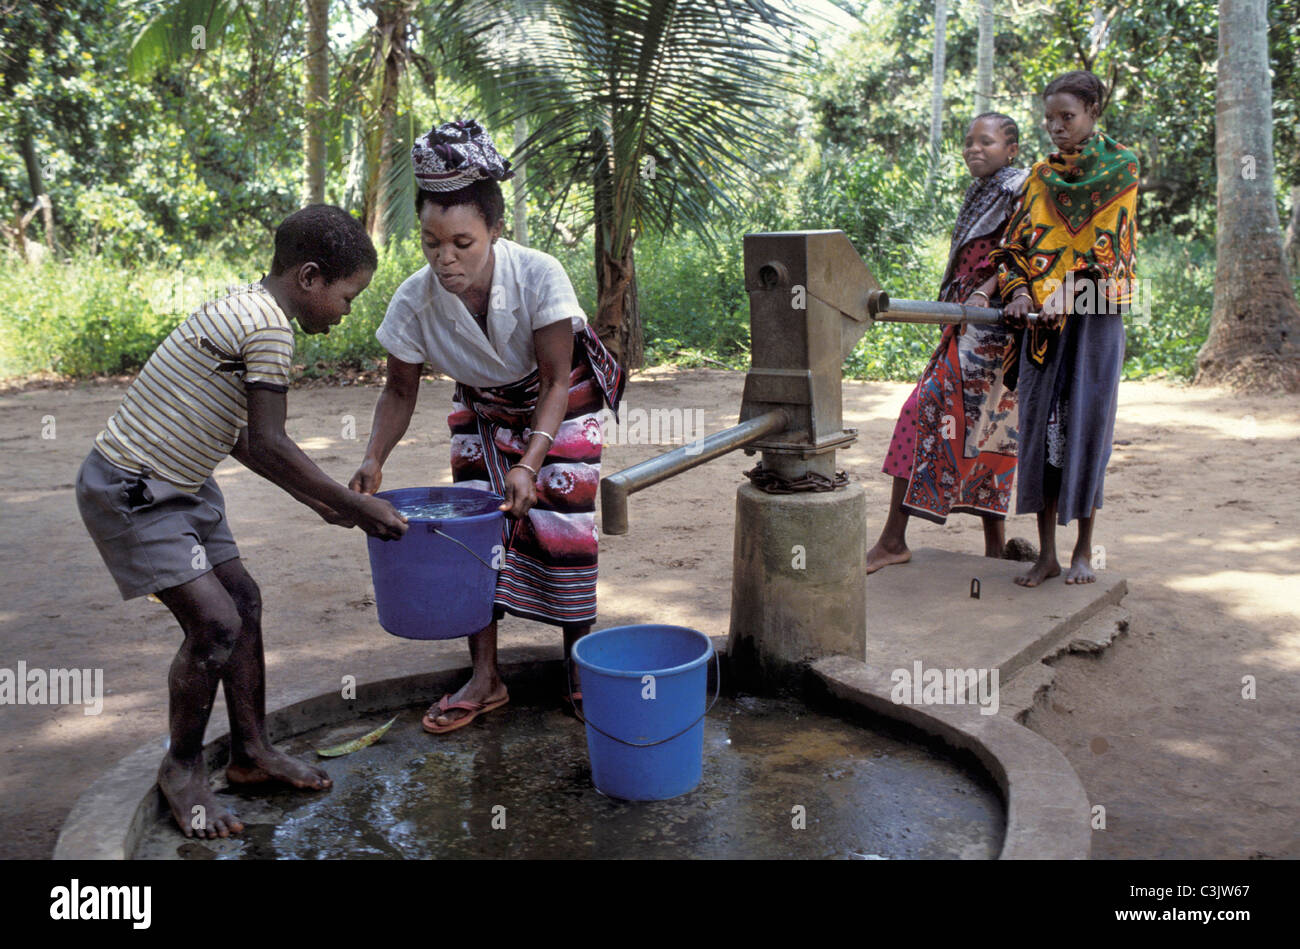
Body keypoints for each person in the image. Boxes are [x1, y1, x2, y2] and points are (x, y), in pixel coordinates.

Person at [75, 205, 409, 839]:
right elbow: (273, 441)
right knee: (214, 623)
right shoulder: (269, 329)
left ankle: (250, 753)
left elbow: (245, 442)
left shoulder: (246, 309)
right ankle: (181, 769)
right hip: (134, 488)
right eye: (347, 296)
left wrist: (323, 503)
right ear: (310, 278)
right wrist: (357, 503)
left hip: (181, 483)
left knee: (242, 600)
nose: (345, 312)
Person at [350, 119, 626, 734]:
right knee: (479, 530)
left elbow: (557, 380)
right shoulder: (413, 300)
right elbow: (399, 389)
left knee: (563, 523)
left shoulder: (539, 275)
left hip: (562, 400)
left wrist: (531, 464)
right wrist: (374, 458)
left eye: (463, 243)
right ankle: (486, 676)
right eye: (430, 242)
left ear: (496, 232)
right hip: (482, 407)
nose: (445, 259)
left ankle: (579, 669)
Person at [866, 112, 1030, 574]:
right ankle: (993, 553)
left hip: (996, 325)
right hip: (967, 322)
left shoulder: (1022, 190)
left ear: (1012, 149)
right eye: (968, 141)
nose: (973, 149)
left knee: (925, 414)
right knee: (988, 432)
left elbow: (1022, 253)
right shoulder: (983, 191)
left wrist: (986, 293)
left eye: (987, 142)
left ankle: (892, 541)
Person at [995, 70, 1139, 586]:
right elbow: (1013, 246)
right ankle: (1047, 554)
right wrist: (1015, 291)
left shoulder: (1122, 166)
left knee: (1085, 430)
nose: (1056, 127)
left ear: (1092, 113)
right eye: (1050, 118)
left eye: (1067, 117)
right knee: (1040, 435)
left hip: (1094, 324)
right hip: (1040, 327)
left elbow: (1116, 253)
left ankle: (1082, 550)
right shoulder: (1038, 176)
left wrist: (1068, 291)